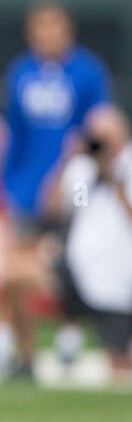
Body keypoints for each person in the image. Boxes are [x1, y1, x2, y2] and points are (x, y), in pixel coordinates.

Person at [0, 0, 126, 378]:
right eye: (41, 27)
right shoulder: (22, 72)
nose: (48, 35)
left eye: (55, 26)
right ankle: (20, 349)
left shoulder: (87, 71)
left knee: (78, 257)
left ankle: (72, 335)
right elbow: (13, 132)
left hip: (75, 186)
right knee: (20, 265)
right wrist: (8, 181)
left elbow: (98, 127)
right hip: (30, 187)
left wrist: (72, 168)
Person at [49, 117, 132, 381]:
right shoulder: (81, 169)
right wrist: (65, 161)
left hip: (121, 275)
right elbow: (53, 210)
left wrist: (114, 181)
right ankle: (66, 342)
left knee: (118, 364)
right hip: (79, 266)